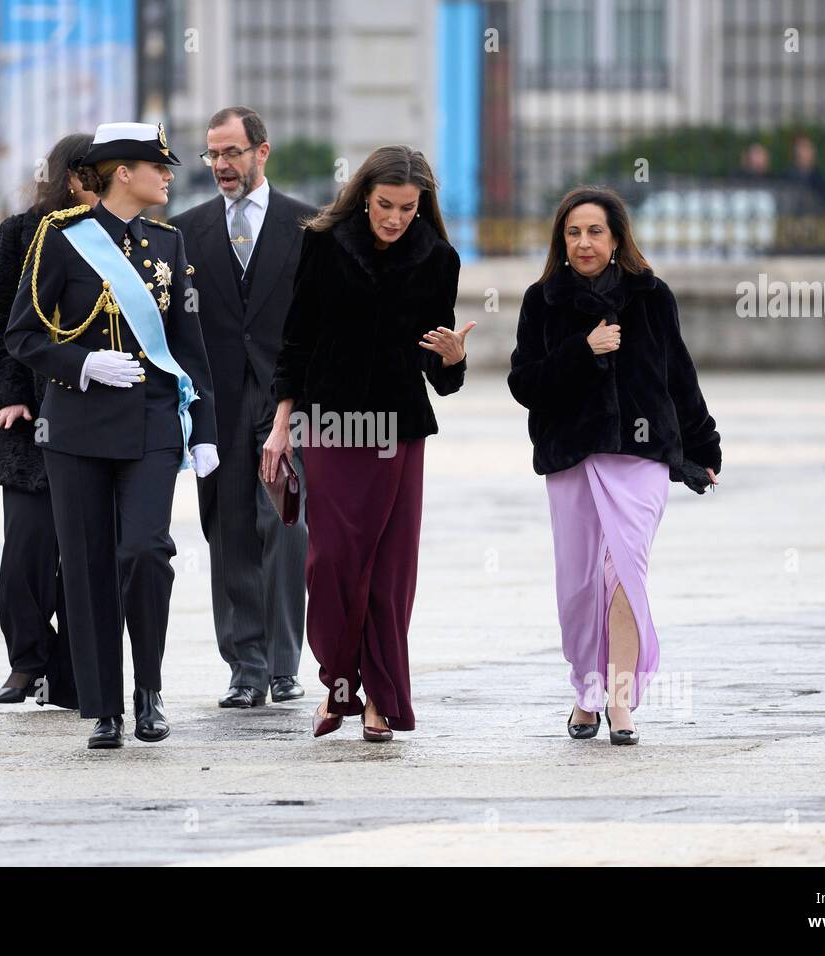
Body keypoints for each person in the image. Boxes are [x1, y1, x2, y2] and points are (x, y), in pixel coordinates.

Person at [5, 121, 219, 750]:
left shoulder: (168, 243)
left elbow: (188, 347)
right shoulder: (61, 239)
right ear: (123, 172)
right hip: (77, 425)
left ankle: (148, 690)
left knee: (146, 551)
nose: (169, 176)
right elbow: (22, 334)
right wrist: (80, 365)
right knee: (90, 564)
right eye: (159, 166)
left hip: (153, 421)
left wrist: (203, 429)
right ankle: (105, 708)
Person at [263, 145, 474, 742]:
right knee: (332, 562)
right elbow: (295, 340)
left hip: (400, 430)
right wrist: (282, 424)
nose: (395, 218)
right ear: (364, 196)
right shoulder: (324, 243)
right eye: (385, 205)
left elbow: (439, 368)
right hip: (330, 426)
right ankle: (337, 683)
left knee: (390, 567)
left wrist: (455, 360)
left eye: (408, 208)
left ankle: (380, 697)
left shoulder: (439, 259)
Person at [507, 186, 720, 745]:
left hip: (640, 458)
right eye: (573, 232)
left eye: (595, 231)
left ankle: (621, 700)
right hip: (572, 457)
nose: (584, 242)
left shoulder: (653, 297)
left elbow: (680, 377)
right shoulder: (542, 300)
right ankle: (587, 692)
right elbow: (524, 384)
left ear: (618, 237)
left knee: (625, 573)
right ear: (561, 239)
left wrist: (702, 449)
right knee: (579, 587)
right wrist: (584, 349)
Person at [169, 106, 316, 710]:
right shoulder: (184, 231)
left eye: (232, 152)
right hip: (217, 398)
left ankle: (284, 662)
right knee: (226, 528)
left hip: (290, 395)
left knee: (286, 523)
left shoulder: (309, 225)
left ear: (262, 151)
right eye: (212, 154)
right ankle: (244, 666)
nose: (221, 165)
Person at [0, 131, 95, 708]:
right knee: (25, 553)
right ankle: (28, 661)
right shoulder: (20, 232)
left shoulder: (126, 239)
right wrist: (7, 397)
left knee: (86, 556)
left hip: (98, 421)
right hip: (28, 423)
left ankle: (73, 673)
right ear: (72, 177)